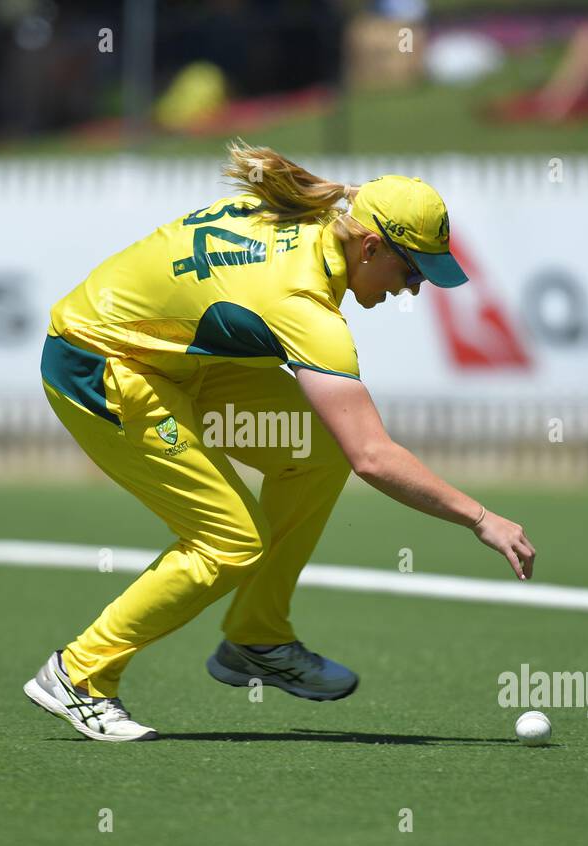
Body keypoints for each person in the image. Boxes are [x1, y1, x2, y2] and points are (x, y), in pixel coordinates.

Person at [27, 141, 537, 742]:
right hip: (101, 363)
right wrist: (480, 518)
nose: (415, 289)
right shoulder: (303, 308)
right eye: (412, 270)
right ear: (371, 247)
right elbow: (372, 457)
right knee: (229, 541)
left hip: (176, 356)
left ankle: (256, 635)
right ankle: (79, 674)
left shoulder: (327, 218)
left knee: (315, 451)